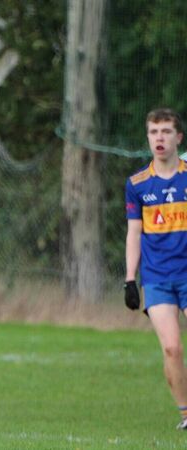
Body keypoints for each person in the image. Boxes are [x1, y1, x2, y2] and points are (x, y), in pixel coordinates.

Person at [124, 107, 187, 430]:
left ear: (178, 137)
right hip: (158, 278)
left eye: (165, 132)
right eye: (153, 132)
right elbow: (134, 233)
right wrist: (130, 279)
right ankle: (186, 414)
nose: (159, 138)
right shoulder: (137, 184)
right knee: (172, 347)